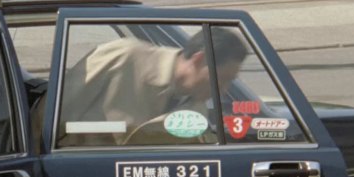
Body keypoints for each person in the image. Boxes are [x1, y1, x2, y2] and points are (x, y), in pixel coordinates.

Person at [58, 28, 248, 145]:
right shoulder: (125, 56)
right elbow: (51, 115)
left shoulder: (195, 116)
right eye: (221, 79)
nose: (222, 90)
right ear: (199, 60)